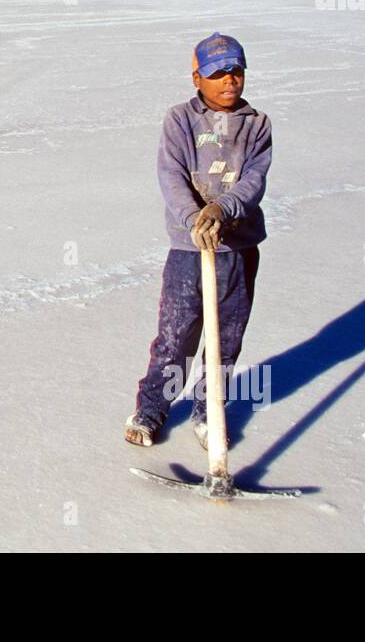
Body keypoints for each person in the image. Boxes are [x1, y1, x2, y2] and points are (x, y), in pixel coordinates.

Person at [125, 32, 272, 449]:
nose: (229, 80)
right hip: (189, 249)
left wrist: (222, 210)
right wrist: (194, 218)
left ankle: (210, 413)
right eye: (218, 73)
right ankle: (152, 408)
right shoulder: (180, 120)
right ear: (197, 77)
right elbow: (170, 175)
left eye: (236, 71)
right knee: (176, 334)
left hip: (237, 249)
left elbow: (253, 180)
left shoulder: (257, 125)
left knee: (226, 338)